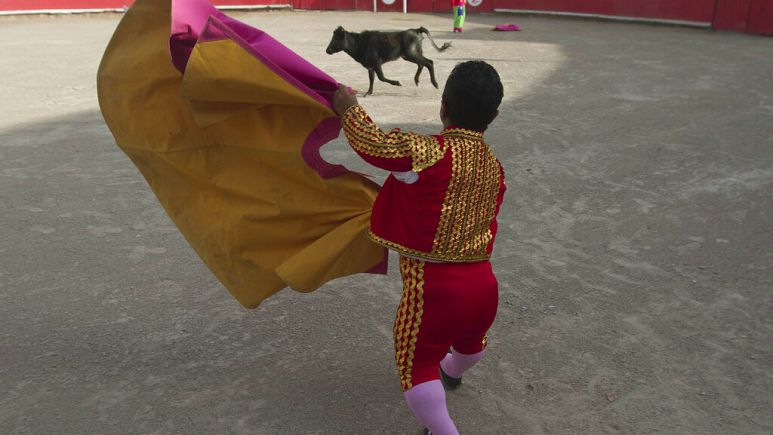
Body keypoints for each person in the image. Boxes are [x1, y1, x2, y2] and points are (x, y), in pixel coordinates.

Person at [332, 60, 506, 435]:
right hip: (485, 283)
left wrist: (349, 108)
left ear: (442, 106)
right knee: (471, 342)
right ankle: (453, 373)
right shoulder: (494, 166)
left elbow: (372, 144)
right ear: (493, 115)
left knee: (416, 366)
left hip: (436, 290)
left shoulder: (427, 151)